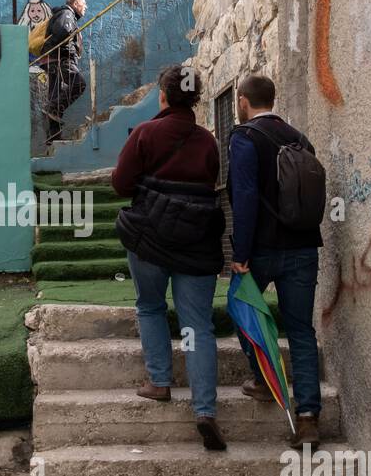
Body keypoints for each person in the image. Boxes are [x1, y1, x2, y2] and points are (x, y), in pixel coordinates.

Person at [112, 64, 227, 451]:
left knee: (150, 306)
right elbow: (211, 181)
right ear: (194, 99)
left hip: (150, 237)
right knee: (198, 324)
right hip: (196, 241)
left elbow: (120, 184)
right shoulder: (207, 141)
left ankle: (159, 382)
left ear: (163, 96)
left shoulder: (146, 133)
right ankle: (205, 410)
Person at [227, 73, 324, 446]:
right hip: (302, 248)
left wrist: (240, 255)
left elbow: (246, 197)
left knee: (240, 308)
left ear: (242, 101)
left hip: (261, 250)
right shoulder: (300, 138)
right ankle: (309, 417)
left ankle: (265, 380)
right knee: (301, 331)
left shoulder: (244, 138)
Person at [40, 0, 87, 144]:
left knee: (55, 94)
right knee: (79, 84)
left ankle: (53, 139)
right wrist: (72, 52)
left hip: (52, 59)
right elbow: (62, 33)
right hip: (61, 58)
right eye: (83, 3)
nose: (85, 6)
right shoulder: (67, 13)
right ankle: (52, 108)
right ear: (74, 4)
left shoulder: (63, 14)